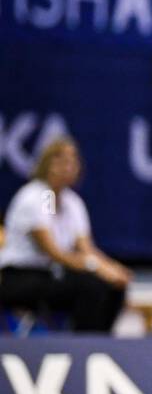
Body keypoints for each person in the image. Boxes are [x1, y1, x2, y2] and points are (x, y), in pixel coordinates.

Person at [0, 137, 131, 331]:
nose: (69, 167)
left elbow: (86, 248)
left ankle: (102, 344)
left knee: (112, 286)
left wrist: (112, 269)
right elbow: (54, 252)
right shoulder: (38, 195)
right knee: (89, 287)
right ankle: (84, 346)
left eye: (73, 161)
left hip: (50, 275)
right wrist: (96, 267)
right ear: (49, 164)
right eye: (62, 161)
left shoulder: (72, 202)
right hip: (18, 276)